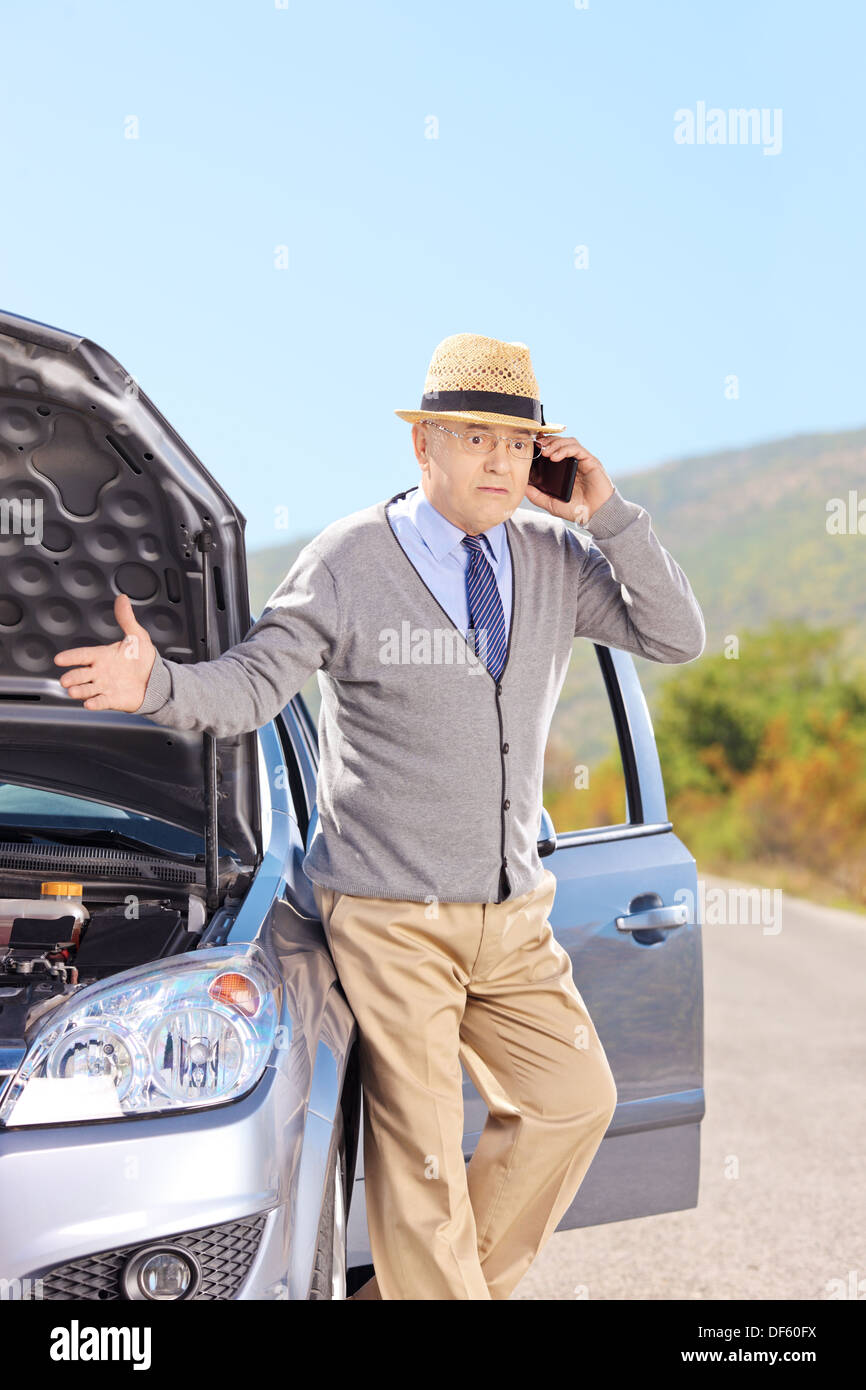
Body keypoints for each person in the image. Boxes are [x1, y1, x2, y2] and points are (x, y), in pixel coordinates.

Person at [53, 332, 705, 1300]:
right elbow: (252, 686)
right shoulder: (352, 557)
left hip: (513, 912)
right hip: (390, 912)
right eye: (476, 438)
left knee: (575, 1104)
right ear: (424, 445)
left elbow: (675, 635)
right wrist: (157, 684)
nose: (499, 461)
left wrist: (607, 514)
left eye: (519, 445)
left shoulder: (553, 555)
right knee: (422, 1156)